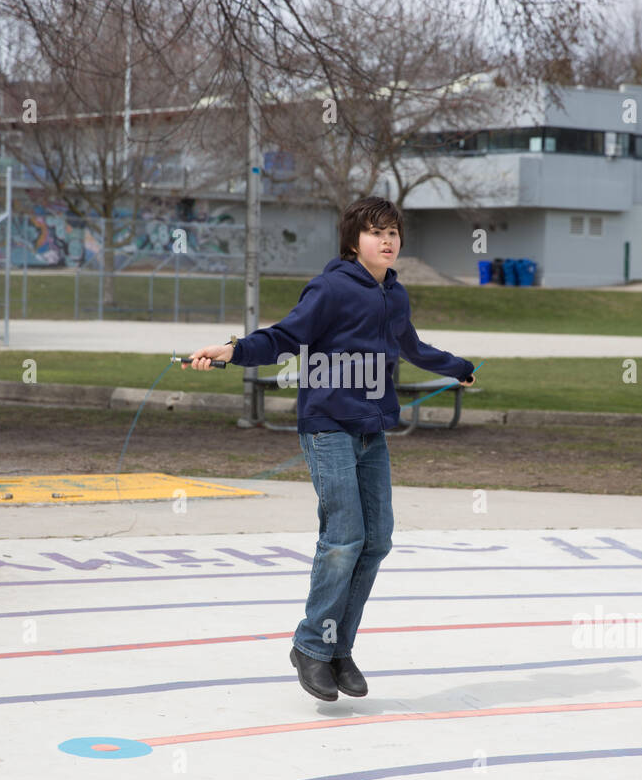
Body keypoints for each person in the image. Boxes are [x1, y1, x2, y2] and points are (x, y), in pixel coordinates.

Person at [183, 196, 475, 701]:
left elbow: (413, 347)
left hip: (370, 430)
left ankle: (339, 647)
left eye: (393, 232)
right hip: (327, 426)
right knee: (344, 538)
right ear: (352, 241)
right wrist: (231, 351)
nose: (386, 240)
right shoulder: (332, 287)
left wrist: (457, 366)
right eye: (374, 231)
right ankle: (311, 646)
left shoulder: (394, 295)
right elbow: (285, 337)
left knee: (376, 540)